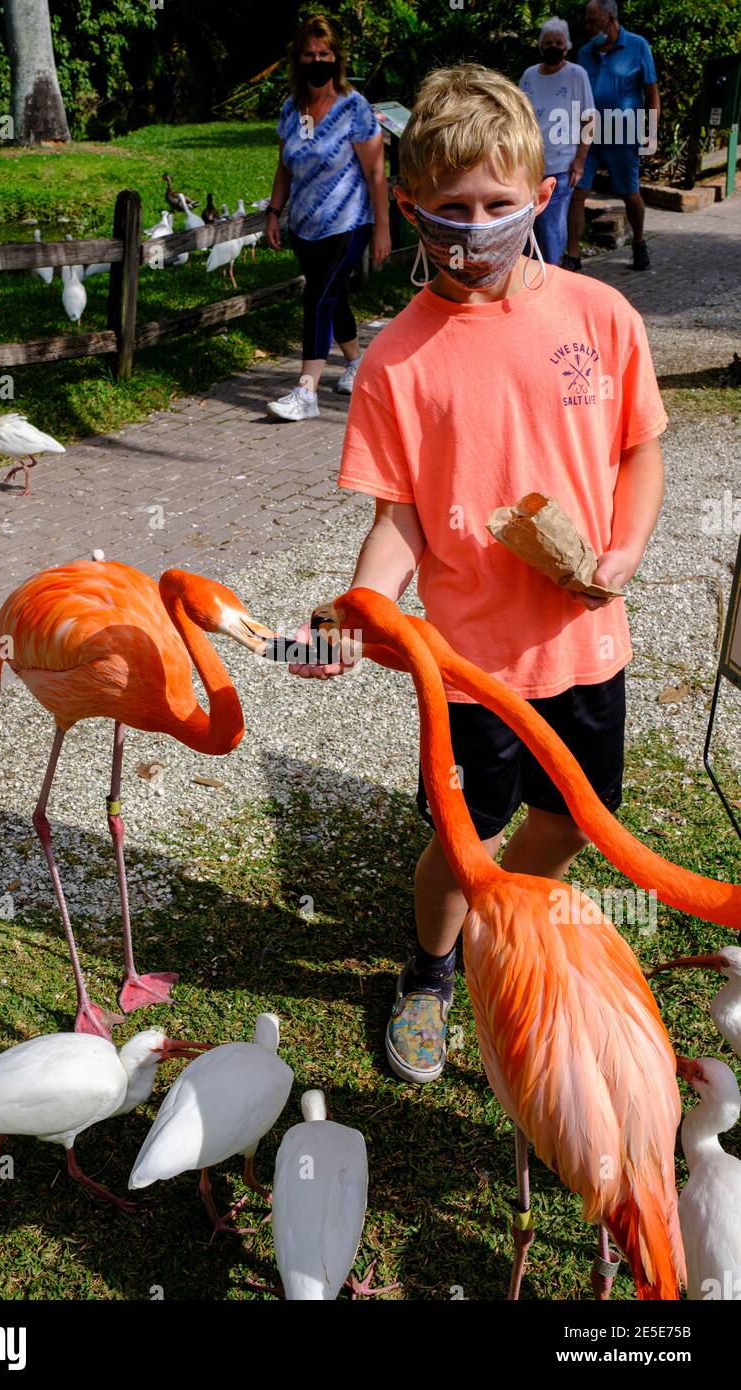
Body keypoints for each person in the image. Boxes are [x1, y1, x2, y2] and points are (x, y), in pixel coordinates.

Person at [289, 63, 666, 1085]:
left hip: (585, 648)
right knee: (464, 836)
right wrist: (353, 613)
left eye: (498, 205)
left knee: (570, 817)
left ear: (540, 197)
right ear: (407, 206)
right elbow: (398, 522)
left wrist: (622, 550)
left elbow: (637, 451)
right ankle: (428, 970)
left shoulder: (600, 319)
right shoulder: (396, 364)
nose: (474, 227)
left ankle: (507, 920)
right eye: (449, 209)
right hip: (466, 670)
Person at [264, 13, 391, 421]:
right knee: (331, 297)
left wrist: (383, 231)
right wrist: (274, 211)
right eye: (308, 54)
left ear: (336, 57)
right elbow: (285, 164)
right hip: (305, 224)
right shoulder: (292, 108)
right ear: (298, 60)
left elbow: (375, 172)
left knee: (316, 297)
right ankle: (357, 362)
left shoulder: (355, 108)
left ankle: (306, 391)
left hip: (350, 222)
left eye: (324, 53)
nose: (316, 60)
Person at [564, 0, 660, 272]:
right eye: (587, 21)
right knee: (577, 191)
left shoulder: (638, 46)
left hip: (623, 134)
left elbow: (652, 92)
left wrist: (650, 132)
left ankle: (639, 243)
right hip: (588, 136)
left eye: (593, 21)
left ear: (610, 19)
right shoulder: (584, 53)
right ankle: (573, 256)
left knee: (630, 193)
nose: (588, 27)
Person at [519, 17, 595, 265]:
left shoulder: (576, 75)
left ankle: (551, 275)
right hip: (530, 165)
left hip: (562, 166)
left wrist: (580, 161)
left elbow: (589, 119)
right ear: (541, 46)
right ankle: (529, 275)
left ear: (567, 46)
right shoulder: (529, 75)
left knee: (551, 228)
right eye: (548, 42)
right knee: (527, 225)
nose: (554, 46)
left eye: (558, 42)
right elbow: (519, 116)